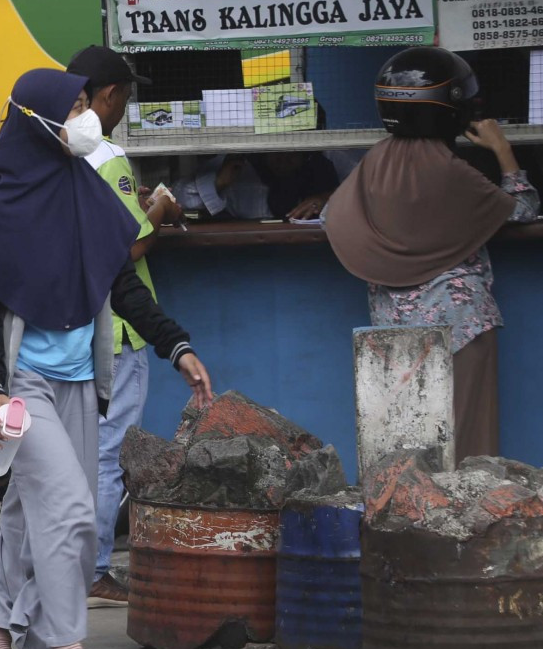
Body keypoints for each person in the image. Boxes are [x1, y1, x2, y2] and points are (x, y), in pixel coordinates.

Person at [0, 68, 212, 649]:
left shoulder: (86, 192)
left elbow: (119, 284)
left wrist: (174, 344)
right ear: (37, 120)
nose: (85, 118)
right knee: (72, 513)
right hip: (22, 386)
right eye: (72, 108)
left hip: (79, 381)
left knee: (23, 515)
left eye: (83, 105)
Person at [324, 46, 539, 461]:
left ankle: (409, 528)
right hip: (462, 327)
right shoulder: (450, 170)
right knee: (468, 450)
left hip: (393, 328)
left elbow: (333, 213)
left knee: (405, 454)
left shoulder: (376, 161)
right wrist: (503, 151)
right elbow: (522, 209)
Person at [65, 46, 182, 609]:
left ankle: (68, 565)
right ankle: (93, 571)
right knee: (109, 455)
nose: (124, 108)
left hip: (69, 327)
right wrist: (160, 209)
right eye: (126, 97)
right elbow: (128, 246)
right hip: (119, 332)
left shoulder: (52, 144)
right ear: (109, 96)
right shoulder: (107, 156)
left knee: (79, 452)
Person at [174, 150, 346, 221]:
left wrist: (328, 199)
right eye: (277, 152)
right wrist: (219, 183)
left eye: (293, 153)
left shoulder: (325, 164)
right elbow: (179, 198)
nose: (283, 160)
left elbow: (364, 193)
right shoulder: (239, 166)